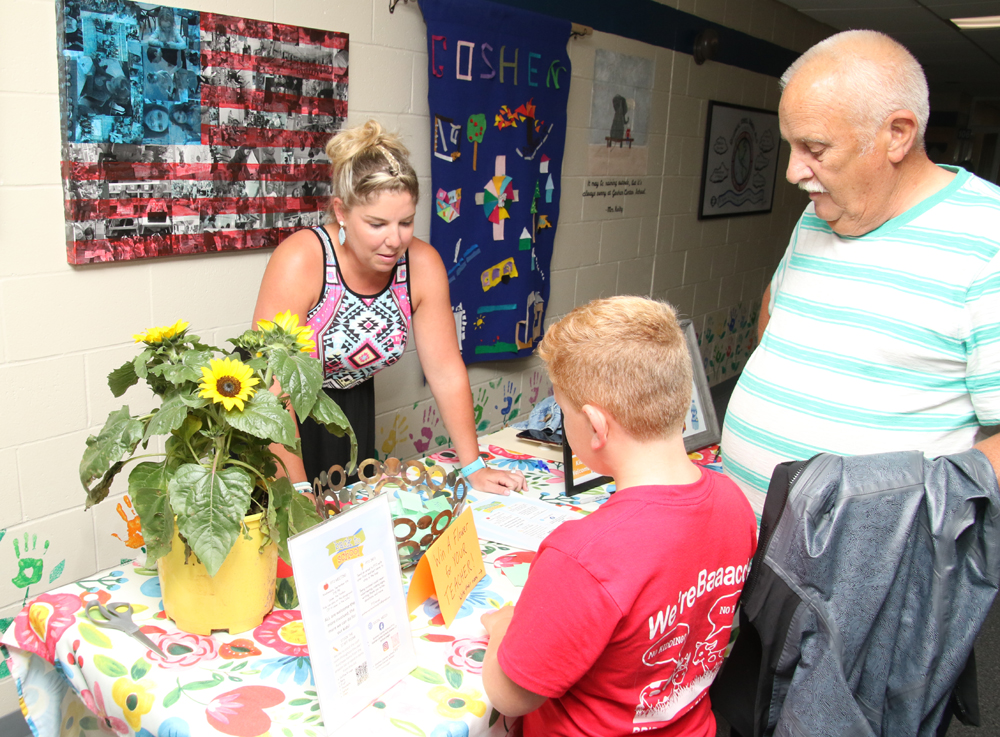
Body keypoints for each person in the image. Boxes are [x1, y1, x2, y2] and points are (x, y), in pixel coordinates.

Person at [721, 30, 1000, 517]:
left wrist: (894, 530)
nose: (792, 171)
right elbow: (776, 316)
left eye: (814, 147)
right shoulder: (823, 210)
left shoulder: (988, 236)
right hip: (755, 542)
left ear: (897, 135)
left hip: (871, 571)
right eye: (790, 145)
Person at [480, 296, 757, 736]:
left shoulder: (584, 556)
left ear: (595, 425)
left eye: (562, 411)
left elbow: (509, 695)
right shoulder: (733, 501)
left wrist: (503, 628)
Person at [252, 120, 526, 495]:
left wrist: (473, 466)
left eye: (406, 222)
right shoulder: (302, 259)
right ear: (342, 211)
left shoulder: (422, 265)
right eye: (377, 224)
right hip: (277, 421)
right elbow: (273, 389)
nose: (394, 240)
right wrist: (296, 493)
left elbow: (445, 371)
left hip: (351, 414)